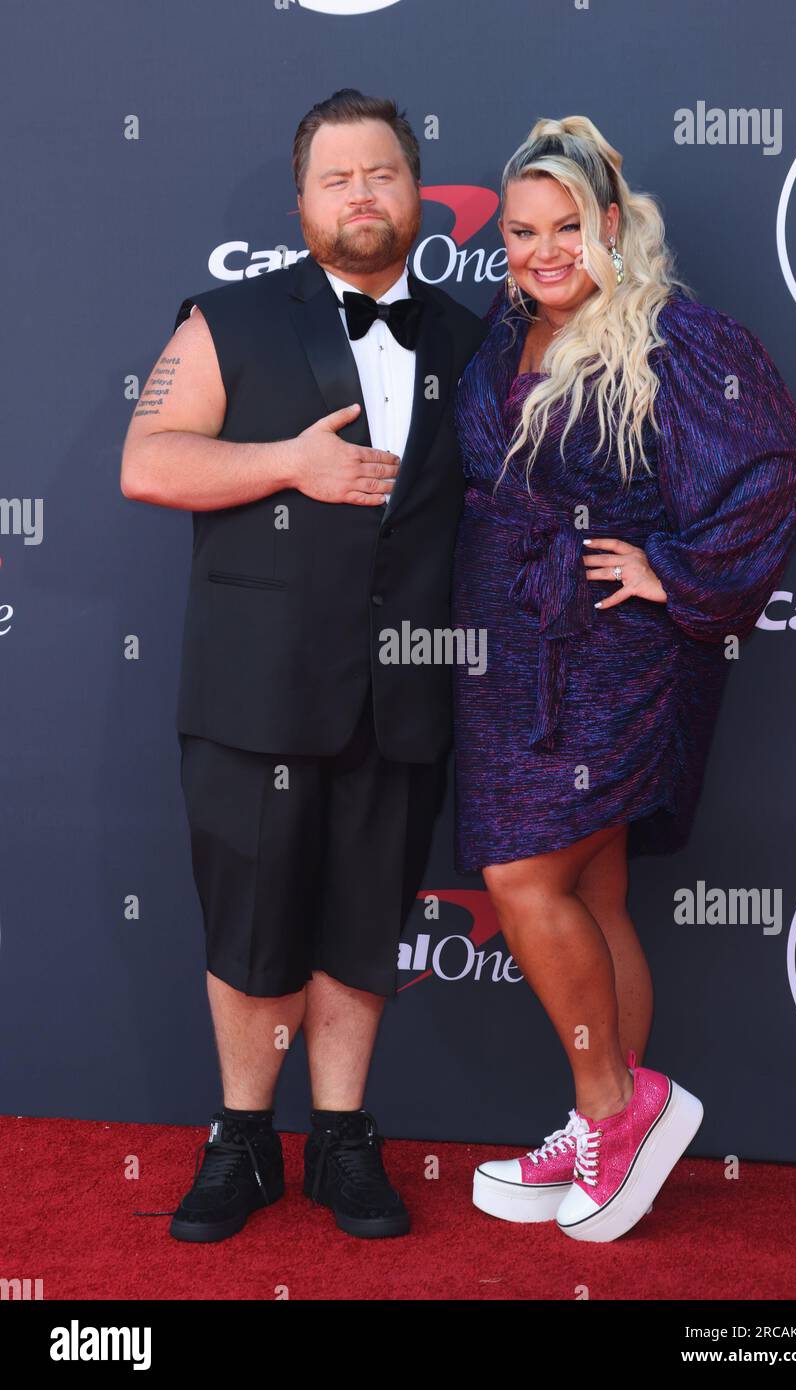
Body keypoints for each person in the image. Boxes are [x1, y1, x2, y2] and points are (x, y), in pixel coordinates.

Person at [120, 88, 486, 1243]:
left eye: (380, 173)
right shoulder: (225, 320)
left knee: (362, 924)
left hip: (403, 692)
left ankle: (339, 1137)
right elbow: (146, 460)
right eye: (338, 178)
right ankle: (241, 1137)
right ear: (302, 203)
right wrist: (288, 464)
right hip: (253, 694)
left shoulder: (474, 342)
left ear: (416, 194)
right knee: (253, 928)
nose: (362, 195)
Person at [451, 116, 796, 1242]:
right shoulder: (504, 330)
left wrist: (672, 569)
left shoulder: (672, 336)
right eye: (519, 231)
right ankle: (596, 1114)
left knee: (520, 875)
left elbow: (777, 465)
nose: (541, 249)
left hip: (610, 652)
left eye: (566, 225)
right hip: (512, 653)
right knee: (589, 892)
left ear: (611, 225)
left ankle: (620, 1104)